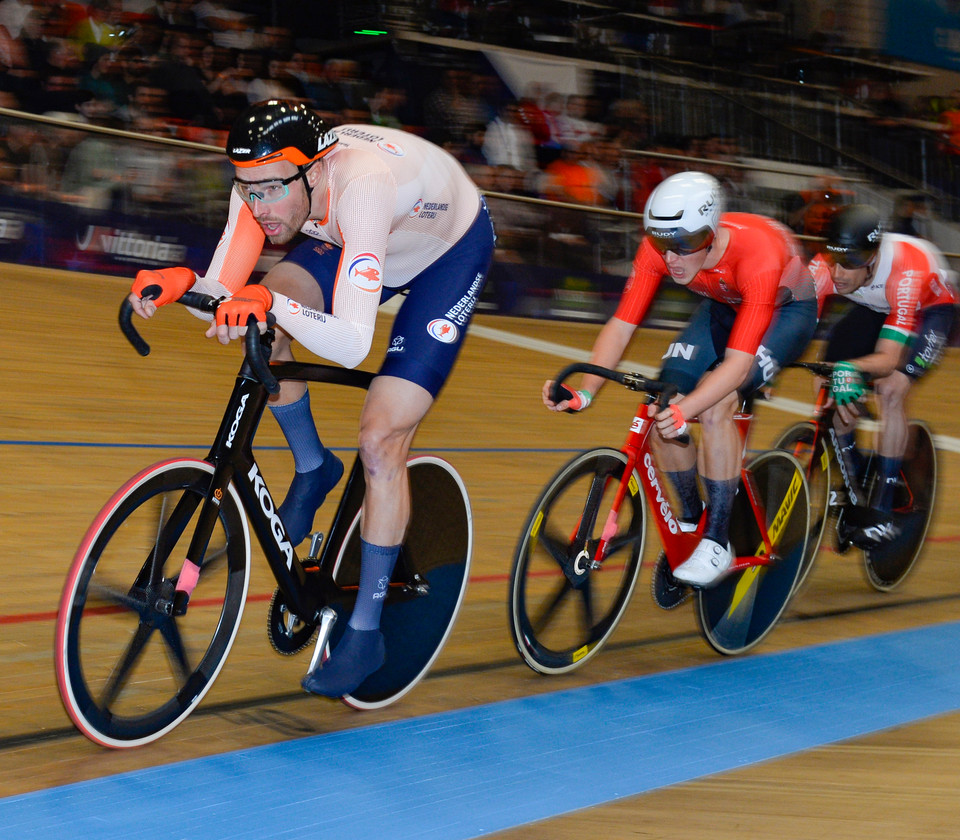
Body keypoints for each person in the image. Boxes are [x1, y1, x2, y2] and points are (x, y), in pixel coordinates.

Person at [127, 99, 494, 697]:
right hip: (356, 239)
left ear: (315, 169)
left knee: (380, 439)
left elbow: (351, 345)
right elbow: (225, 287)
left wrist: (269, 302)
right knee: (258, 326)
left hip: (443, 253)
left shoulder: (359, 188)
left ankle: (367, 632)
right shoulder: (263, 179)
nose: (259, 207)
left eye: (271, 191)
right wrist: (180, 283)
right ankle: (312, 465)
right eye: (247, 191)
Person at [543, 171, 819, 587]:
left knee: (715, 405)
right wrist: (586, 390)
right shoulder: (665, 243)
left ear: (710, 234)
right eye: (661, 243)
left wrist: (689, 407)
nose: (671, 258)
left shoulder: (756, 254)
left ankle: (716, 541)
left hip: (785, 312)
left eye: (684, 245)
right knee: (659, 405)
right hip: (724, 305)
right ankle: (692, 519)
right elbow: (621, 325)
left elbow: (737, 367)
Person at [808, 204, 957, 546]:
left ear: (873, 258)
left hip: (929, 311)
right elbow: (797, 324)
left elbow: (888, 359)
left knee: (890, 389)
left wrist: (853, 369)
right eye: (835, 260)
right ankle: (855, 476)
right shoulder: (825, 267)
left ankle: (883, 508)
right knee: (826, 379)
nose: (840, 273)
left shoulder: (904, 272)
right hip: (876, 307)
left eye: (852, 262)